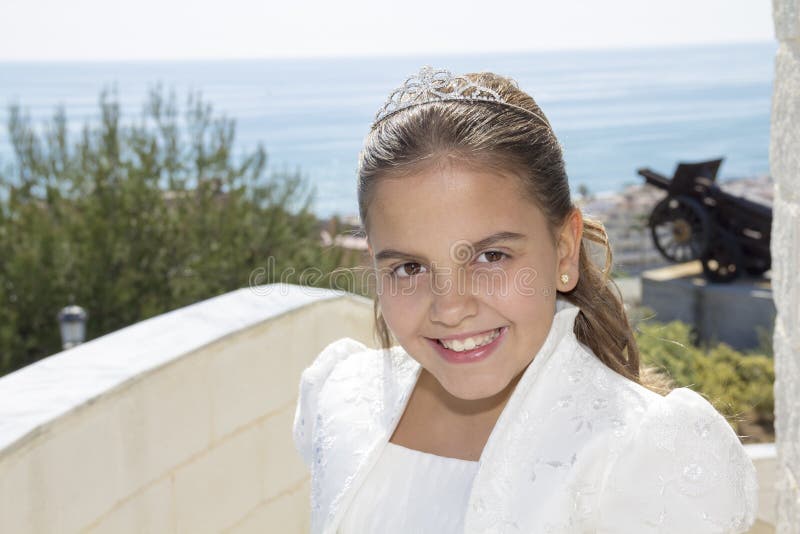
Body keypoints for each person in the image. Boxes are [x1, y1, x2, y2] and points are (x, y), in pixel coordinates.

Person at [292, 66, 759, 534]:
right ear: (375, 266)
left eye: (491, 256)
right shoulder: (340, 398)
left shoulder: (649, 456)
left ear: (564, 248)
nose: (451, 308)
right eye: (409, 268)